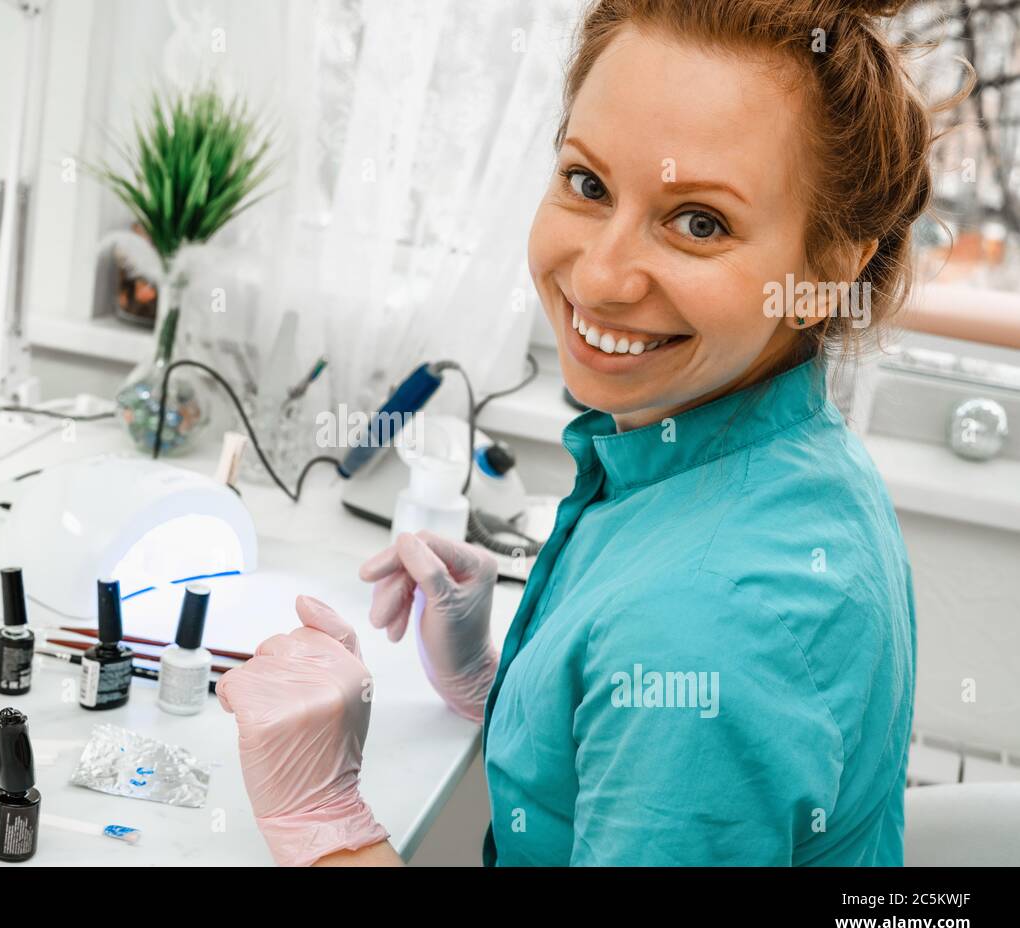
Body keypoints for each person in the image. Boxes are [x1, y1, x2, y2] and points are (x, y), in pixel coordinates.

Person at [217, 0, 962, 866]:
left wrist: (323, 825)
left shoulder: (705, 625)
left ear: (834, 262)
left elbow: (691, 663)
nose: (601, 278)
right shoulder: (774, 450)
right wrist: (509, 682)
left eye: (699, 222)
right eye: (588, 183)